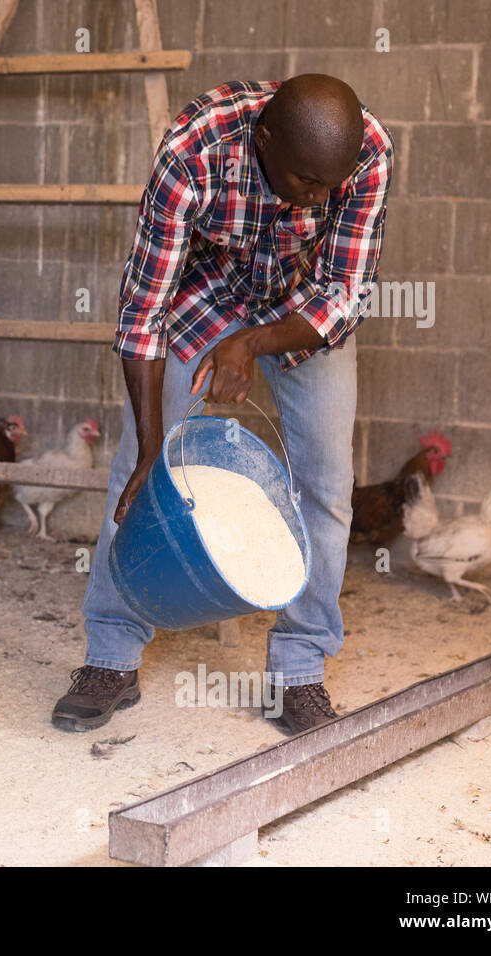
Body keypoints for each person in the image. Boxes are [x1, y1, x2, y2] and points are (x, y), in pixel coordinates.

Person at [53, 75, 393, 735]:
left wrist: (255, 341)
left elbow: (346, 292)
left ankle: (298, 672)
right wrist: (156, 445)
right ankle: (111, 655)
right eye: (304, 181)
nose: (320, 198)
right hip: (204, 290)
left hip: (302, 307)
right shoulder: (193, 148)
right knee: (138, 471)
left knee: (326, 485)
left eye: (331, 184)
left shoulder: (369, 154)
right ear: (263, 139)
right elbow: (144, 311)